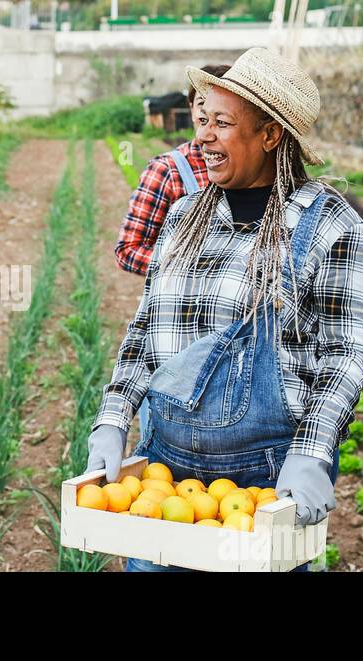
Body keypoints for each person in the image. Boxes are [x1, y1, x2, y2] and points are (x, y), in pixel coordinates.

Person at [87, 47, 363, 572]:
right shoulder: (183, 216)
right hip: (165, 476)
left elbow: (344, 354)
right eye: (204, 121)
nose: (203, 136)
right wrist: (112, 419)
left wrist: (312, 451)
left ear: (270, 136)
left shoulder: (330, 227)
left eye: (222, 123)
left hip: (265, 478)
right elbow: (147, 330)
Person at [115, 63, 229, 452]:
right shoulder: (168, 171)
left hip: (237, 334)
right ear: (192, 108)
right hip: (177, 337)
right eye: (202, 106)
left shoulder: (262, 176)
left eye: (223, 113)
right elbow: (128, 250)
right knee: (167, 446)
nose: (209, 119)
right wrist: (186, 270)